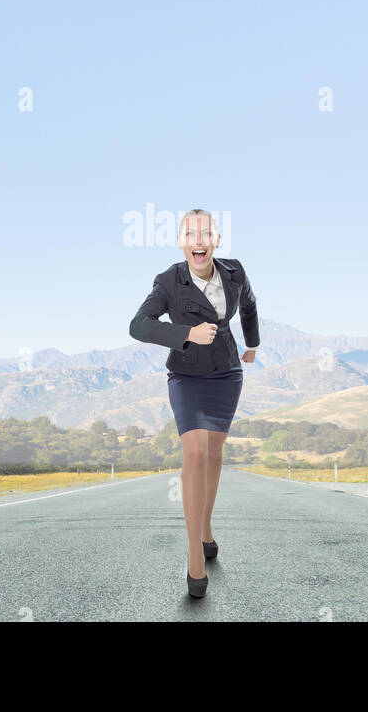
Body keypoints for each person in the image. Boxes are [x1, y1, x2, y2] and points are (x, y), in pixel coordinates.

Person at [127, 208, 260, 598]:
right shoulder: (169, 281)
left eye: (206, 233)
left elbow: (249, 306)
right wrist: (185, 333)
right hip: (186, 375)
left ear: (217, 240)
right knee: (196, 454)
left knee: (215, 454)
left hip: (226, 372)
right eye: (190, 233)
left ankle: (206, 529)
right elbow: (138, 325)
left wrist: (251, 344)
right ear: (182, 242)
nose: (198, 239)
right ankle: (194, 556)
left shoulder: (234, 273)